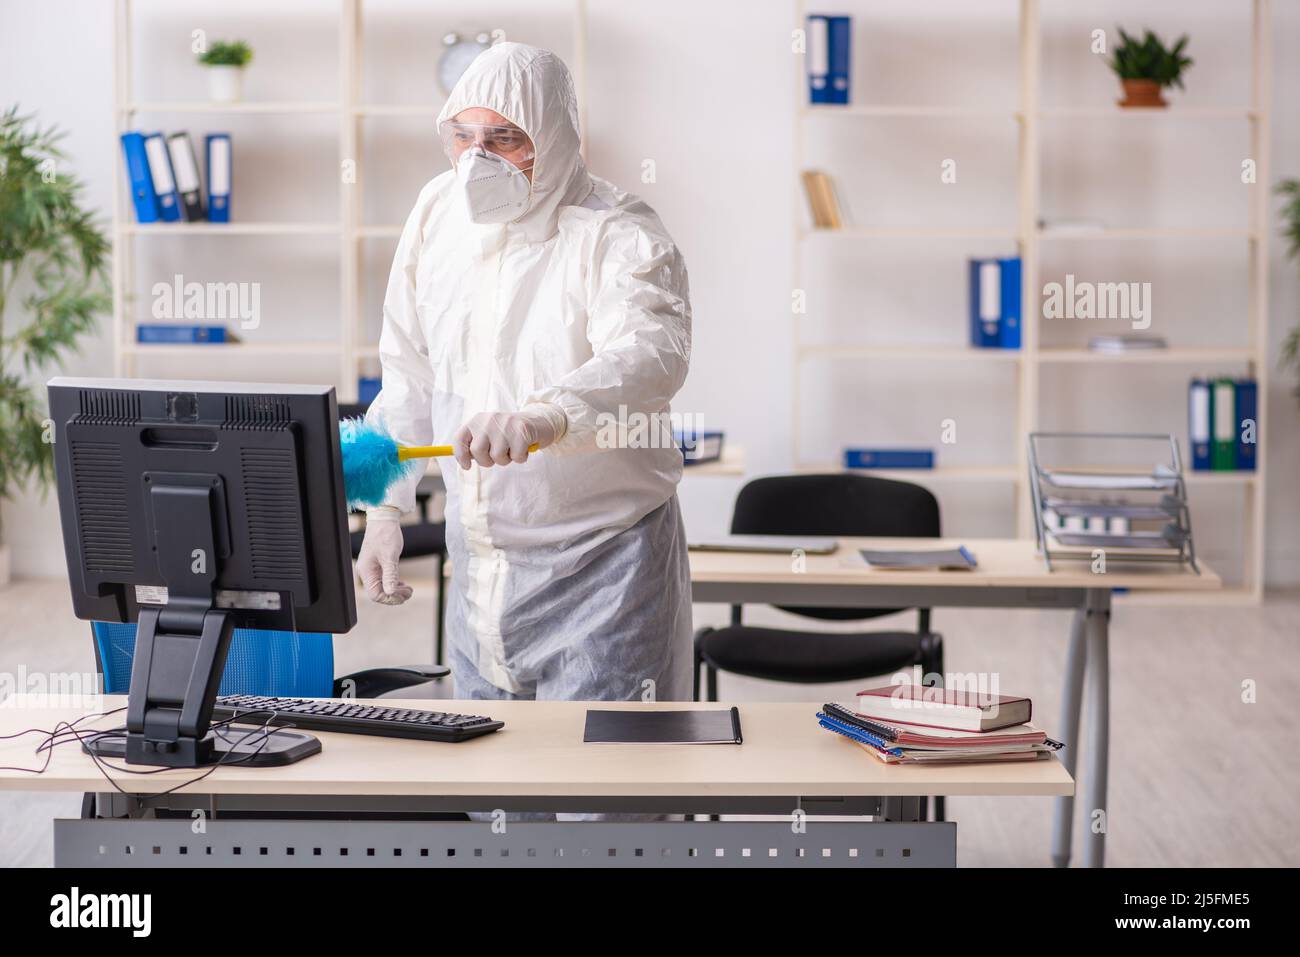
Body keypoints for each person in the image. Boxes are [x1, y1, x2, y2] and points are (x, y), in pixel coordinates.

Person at [357, 42, 693, 706]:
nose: (478, 158)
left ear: (556, 140)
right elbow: (408, 371)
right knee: (494, 789)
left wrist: (549, 415)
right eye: (464, 136)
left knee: (609, 792)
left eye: (505, 138)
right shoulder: (436, 214)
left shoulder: (617, 233)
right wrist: (384, 508)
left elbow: (650, 354)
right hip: (479, 563)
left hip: (604, 567)